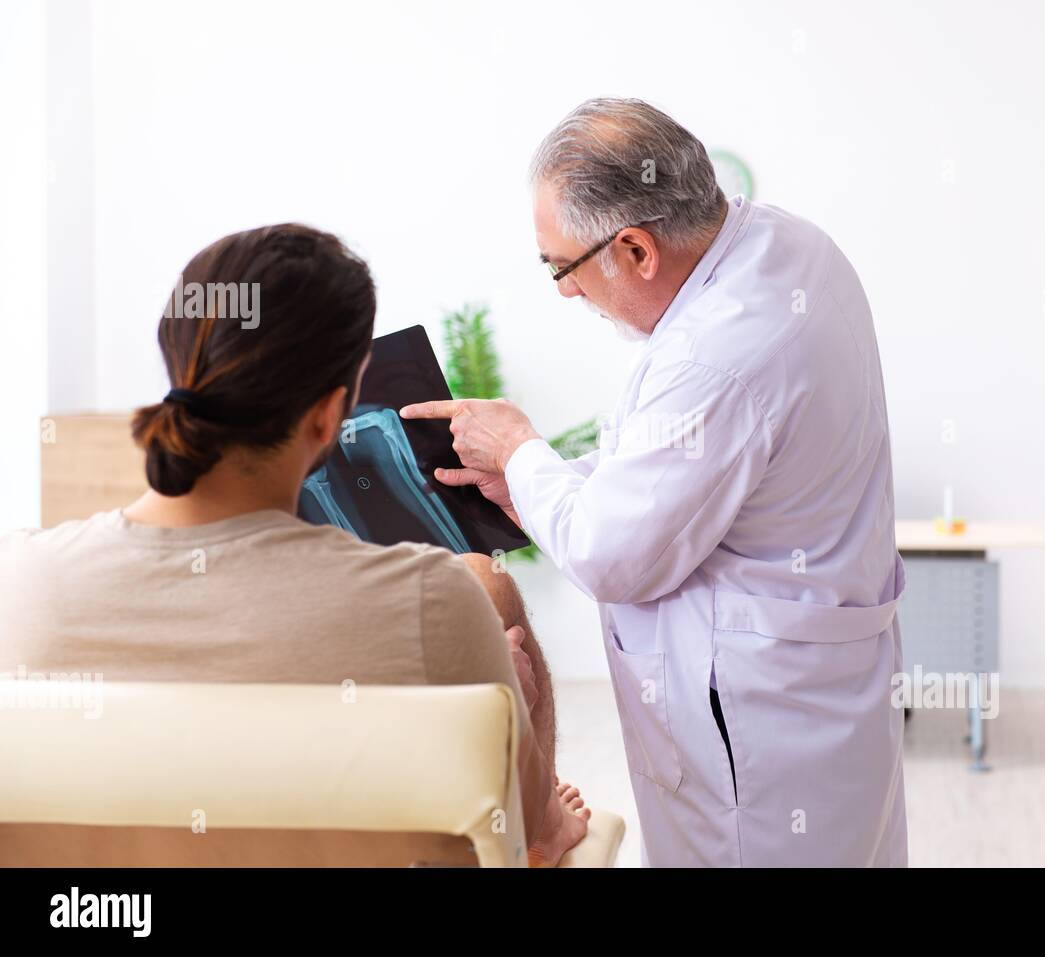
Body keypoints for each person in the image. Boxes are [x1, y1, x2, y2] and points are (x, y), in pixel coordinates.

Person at [401, 97, 909, 867]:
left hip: (757, 729)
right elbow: (697, 466)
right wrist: (541, 481)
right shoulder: (788, 245)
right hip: (820, 688)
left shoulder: (716, 353)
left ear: (637, 249)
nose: (567, 292)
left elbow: (615, 556)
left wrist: (523, 452)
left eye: (561, 268)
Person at [0, 223, 587, 866]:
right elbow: (528, 826)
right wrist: (511, 713)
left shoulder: (18, 579)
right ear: (326, 414)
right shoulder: (437, 601)